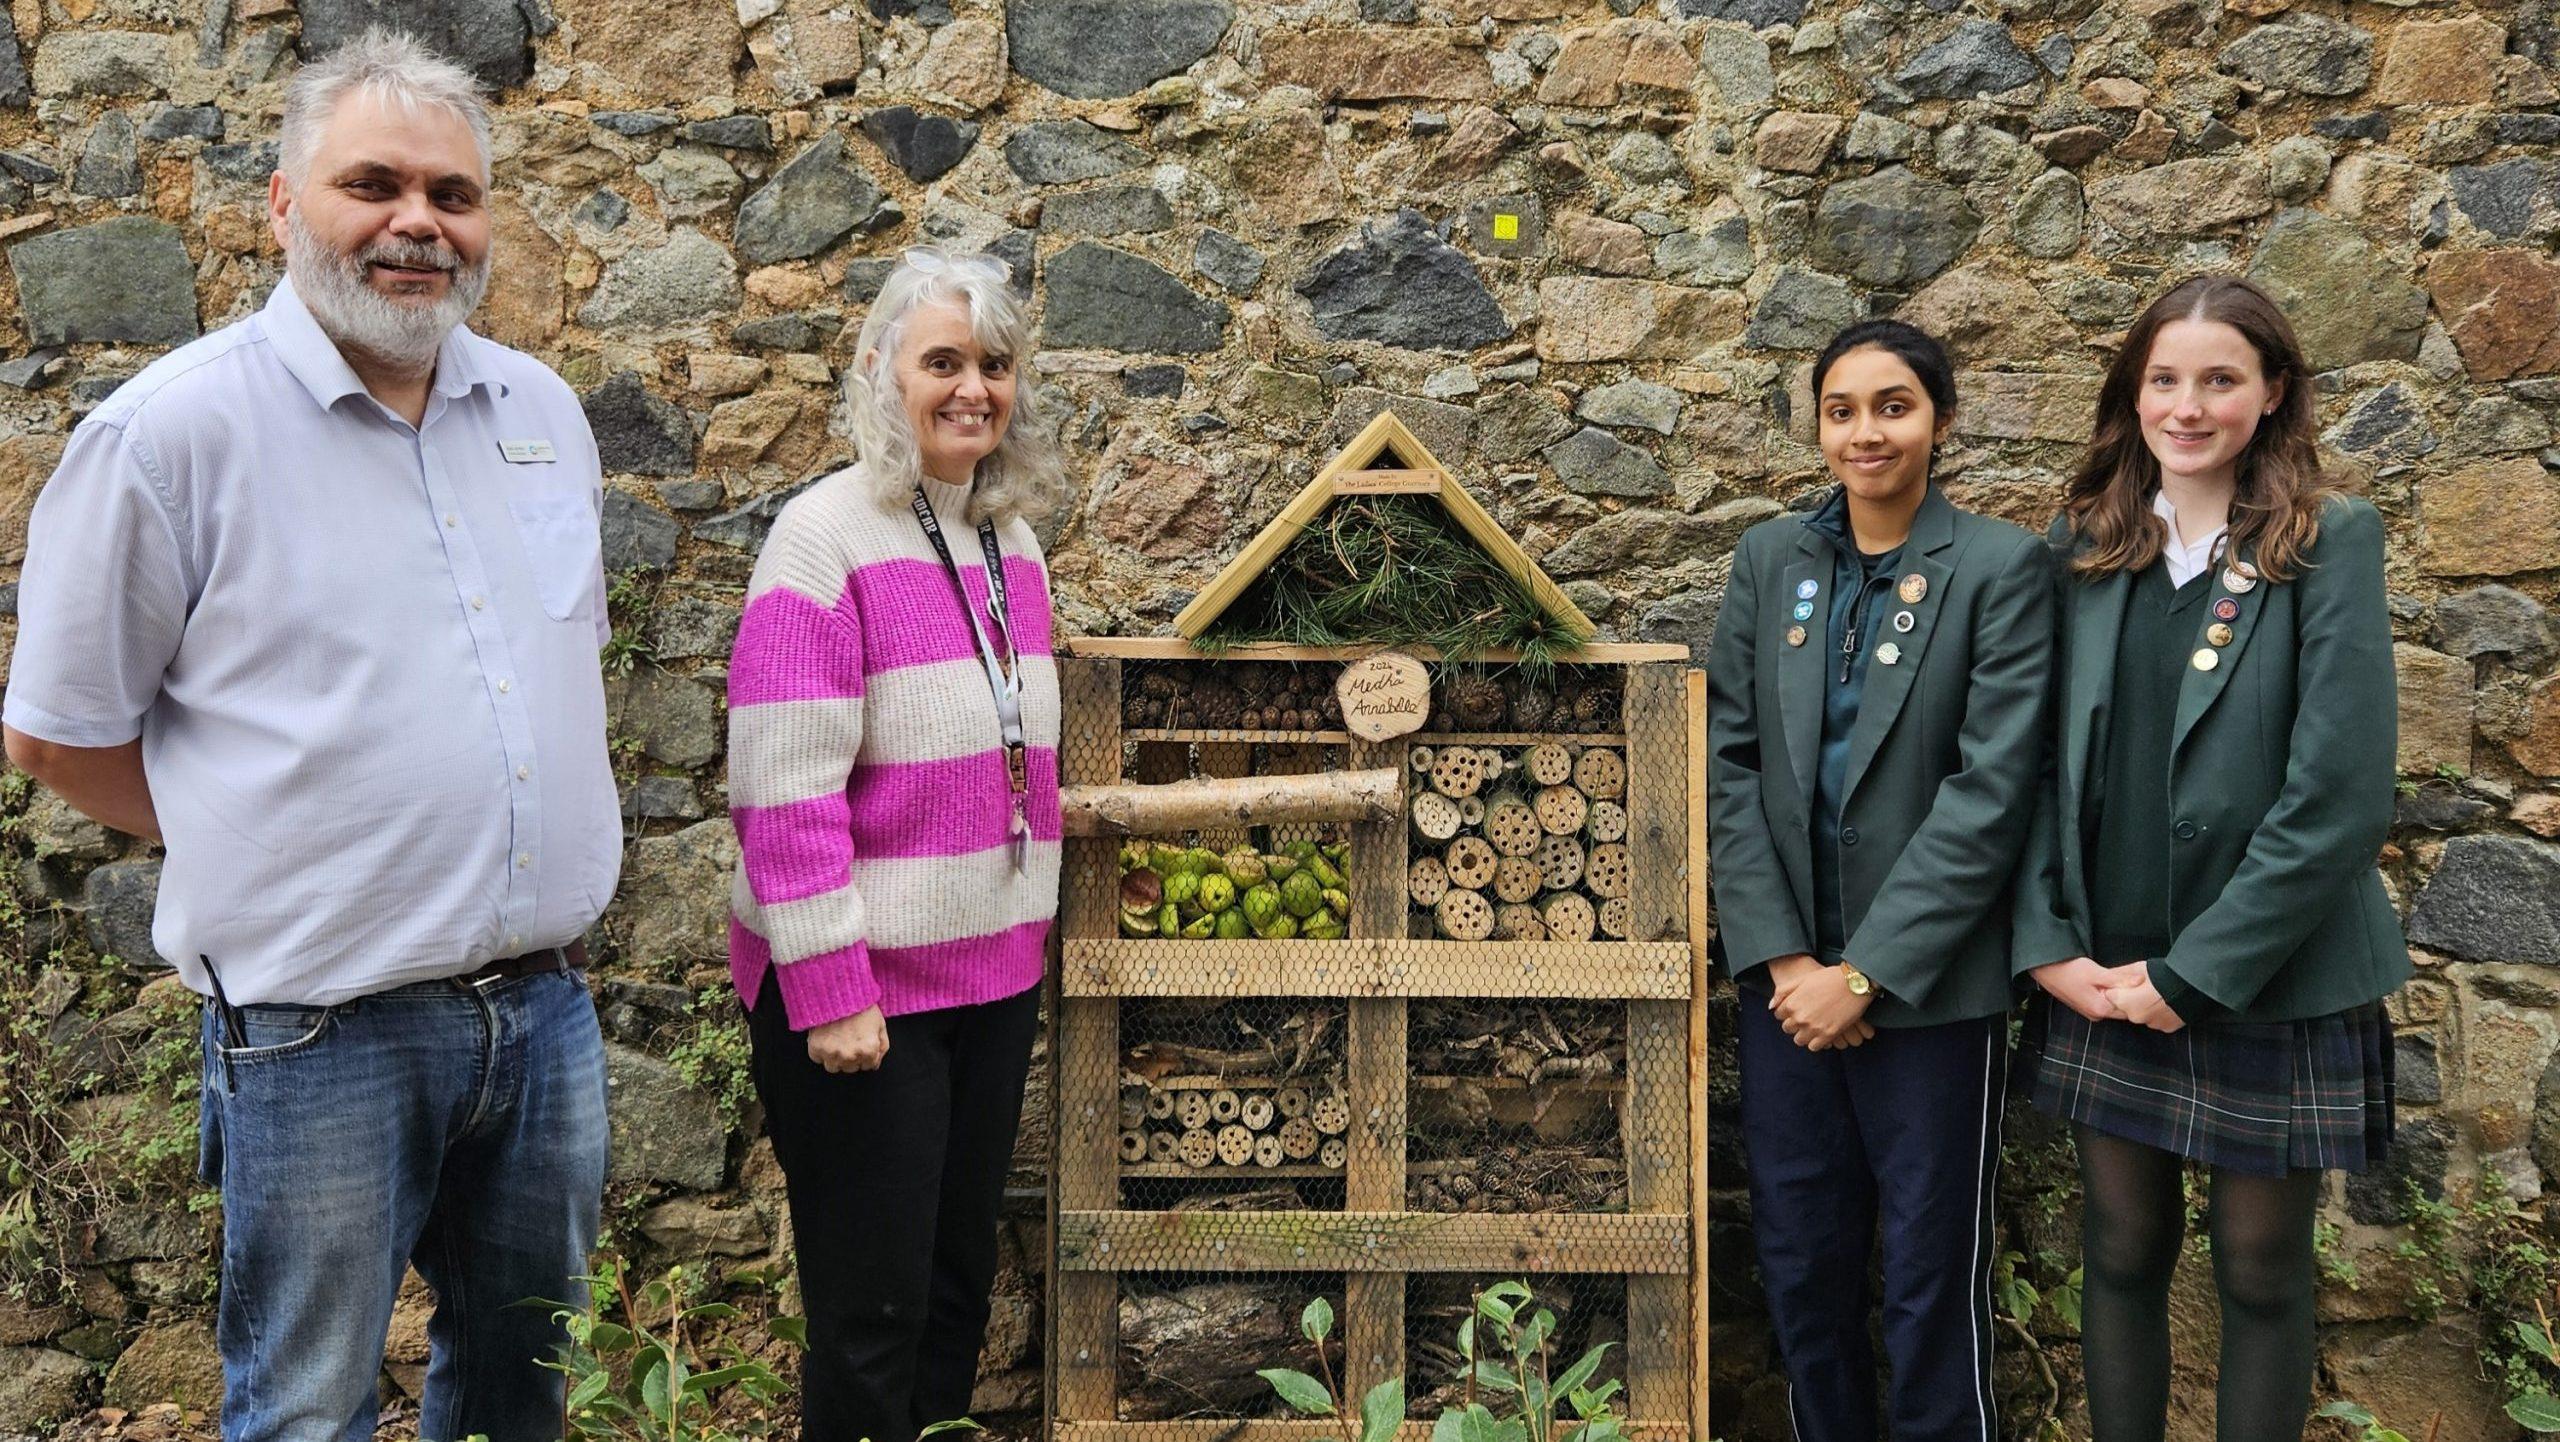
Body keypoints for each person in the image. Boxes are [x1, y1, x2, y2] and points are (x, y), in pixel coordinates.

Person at [3, 30, 619, 1442]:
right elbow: (58, 738)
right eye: (374, 184)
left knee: (524, 1394)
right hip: (317, 1031)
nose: (420, 222)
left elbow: (550, 670)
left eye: (454, 195)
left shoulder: (540, 411)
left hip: (542, 1012)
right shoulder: (168, 439)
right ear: (282, 206)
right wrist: (260, 824)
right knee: (309, 1409)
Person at [2014, 275, 2406, 1441]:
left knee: (2259, 1266)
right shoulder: (2082, 545)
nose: (2189, 406)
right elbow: (2025, 765)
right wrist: (2046, 945)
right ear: (2133, 395)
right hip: (2102, 969)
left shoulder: (2328, 541)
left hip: (2266, 973)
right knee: (2121, 1245)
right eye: (2166, 380)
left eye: (2220, 379)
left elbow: (2338, 793)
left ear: (2270, 390)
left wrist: (2194, 976)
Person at [725, 247, 1066, 1440]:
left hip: (990, 975)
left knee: (953, 1292)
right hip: (865, 998)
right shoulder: (822, 538)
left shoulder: (1005, 542)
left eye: (993, 363)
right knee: (869, 1316)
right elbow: (781, 785)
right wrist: (827, 986)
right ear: (881, 372)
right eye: (942, 362)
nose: (972, 387)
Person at [1706, 320, 2054, 1442]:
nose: (1867, 430)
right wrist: (1790, 961)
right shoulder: (1770, 561)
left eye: (1893, 405)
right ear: (1817, 427)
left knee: (1926, 1272)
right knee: (1802, 1256)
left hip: (1930, 993)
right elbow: (1729, 765)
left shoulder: (1998, 567)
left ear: (1940, 421)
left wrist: (1865, 972)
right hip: (1786, 991)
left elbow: (1990, 791)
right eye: (1843, 408)